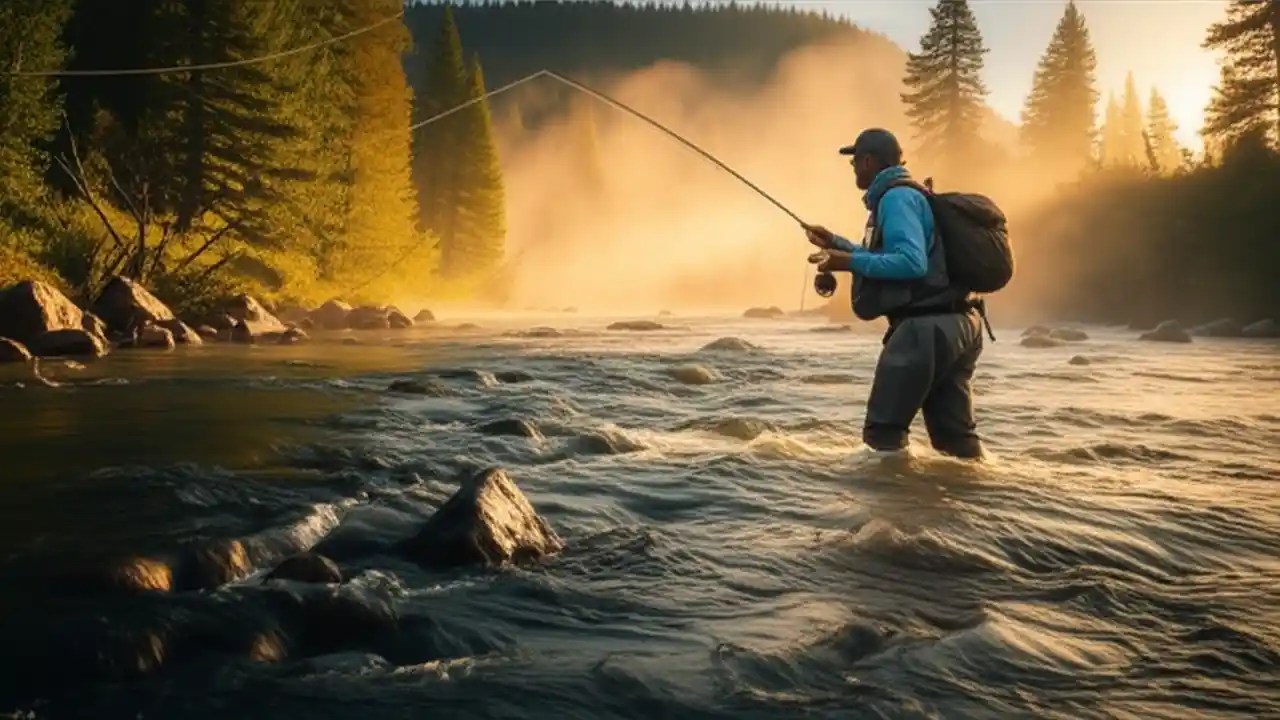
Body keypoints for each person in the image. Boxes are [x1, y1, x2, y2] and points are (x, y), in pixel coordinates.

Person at [803, 128, 986, 460]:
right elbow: (901, 255)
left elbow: (911, 263)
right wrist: (837, 243)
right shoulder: (911, 195)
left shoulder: (896, 198)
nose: (854, 168)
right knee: (956, 444)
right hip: (957, 323)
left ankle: (889, 512)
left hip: (924, 329)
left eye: (855, 161)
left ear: (869, 161)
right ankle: (974, 506)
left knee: (883, 438)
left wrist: (849, 262)